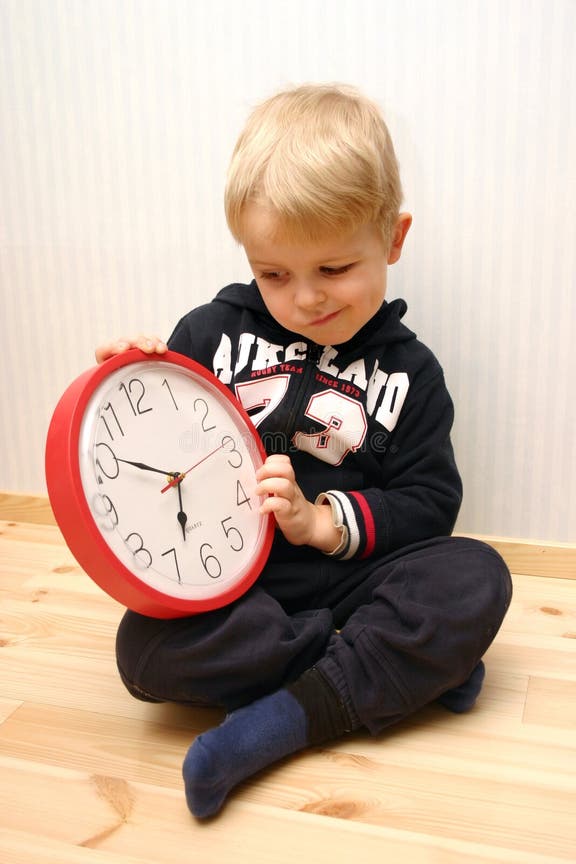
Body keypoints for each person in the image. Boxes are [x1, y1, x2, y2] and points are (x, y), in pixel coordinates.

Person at [96, 83, 512, 819]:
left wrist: (324, 522)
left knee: (475, 576)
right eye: (274, 273)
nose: (305, 300)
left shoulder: (412, 374)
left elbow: (430, 505)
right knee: (141, 654)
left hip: (356, 577)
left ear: (393, 239)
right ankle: (389, 667)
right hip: (245, 591)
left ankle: (281, 722)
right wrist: (136, 378)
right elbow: (158, 460)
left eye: (333, 270)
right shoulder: (210, 333)